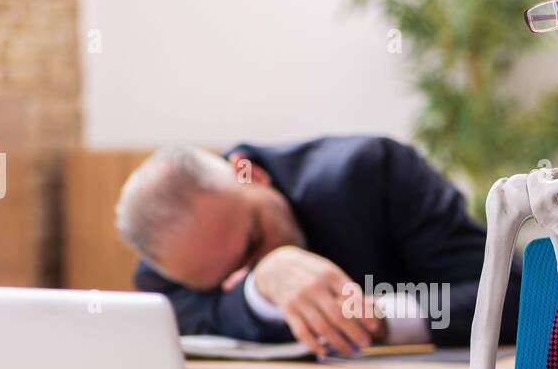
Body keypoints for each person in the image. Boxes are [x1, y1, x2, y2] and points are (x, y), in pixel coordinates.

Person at [115, 135, 522, 357]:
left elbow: (515, 296)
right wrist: (260, 286)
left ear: (250, 174)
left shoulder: (371, 172)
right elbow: (192, 321)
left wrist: (373, 316)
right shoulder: (162, 273)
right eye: (226, 279)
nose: (248, 268)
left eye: (255, 242)